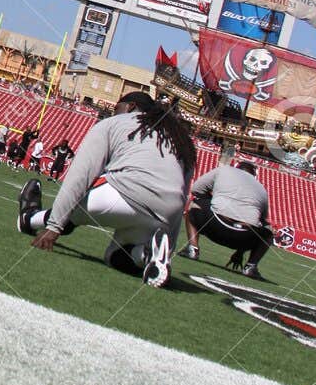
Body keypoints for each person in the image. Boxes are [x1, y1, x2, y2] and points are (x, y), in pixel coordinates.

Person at [16, 91, 197, 290]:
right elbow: (182, 195)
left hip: (123, 194)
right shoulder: (181, 140)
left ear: (130, 107)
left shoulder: (113, 124)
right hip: (164, 215)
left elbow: (81, 174)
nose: (113, 112)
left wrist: (54, 227)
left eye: (116, 108)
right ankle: (146, 254)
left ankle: (29, 218)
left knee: (72, 208)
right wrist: (169, 247)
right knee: (114, 256)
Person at [179, 158, 273, 279]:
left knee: (194, 204)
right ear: (254, 175)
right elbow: (261, 219)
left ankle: (193, 248)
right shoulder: (261, 188)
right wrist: (240, 252)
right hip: (244, 236)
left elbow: (196, 189)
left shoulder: (224, 170)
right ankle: (251, 266)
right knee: (267, 231)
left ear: (236, 168)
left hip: (215, 224)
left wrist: (213, 199)